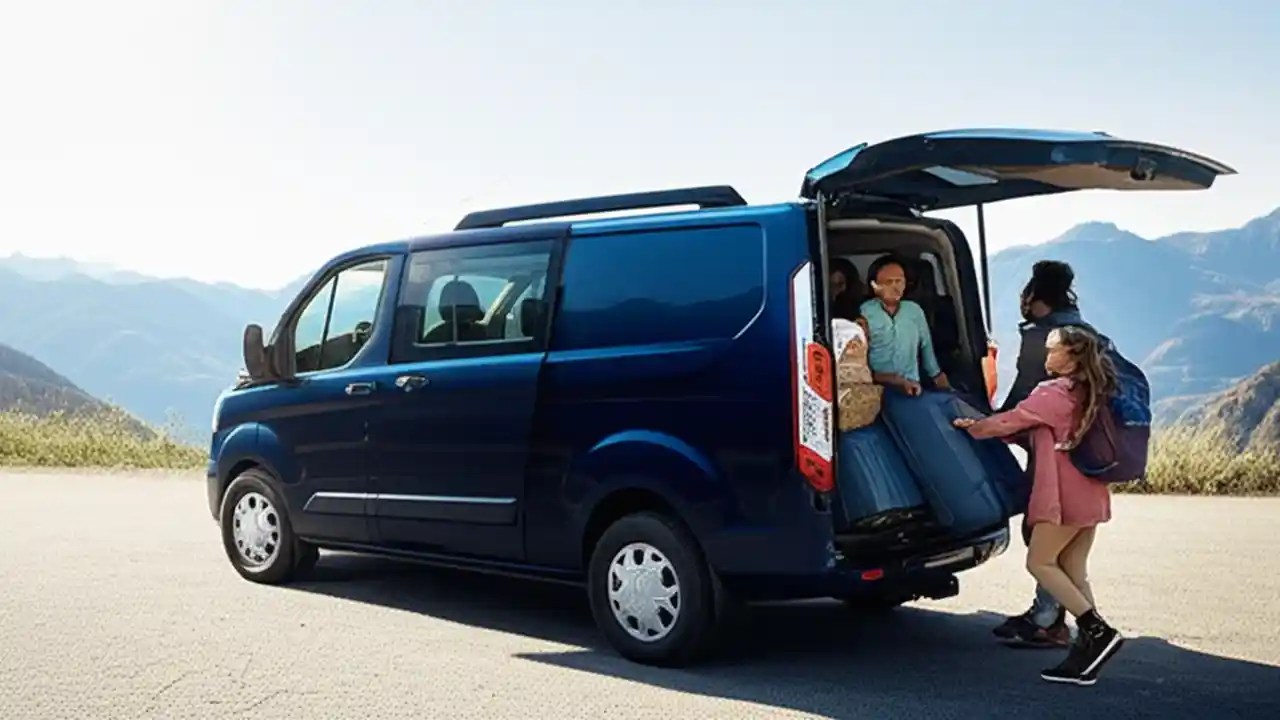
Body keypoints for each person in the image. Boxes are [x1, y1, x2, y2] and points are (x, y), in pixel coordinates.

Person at [953, 326, 1124, 686]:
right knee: (1072, 567)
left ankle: (1098, 632)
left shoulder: (1052, 392)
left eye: (1053, 351)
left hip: (1062, 495)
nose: (1046, 358)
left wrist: (973, 428)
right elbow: (1033, 427)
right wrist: (993, 427)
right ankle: (1087, 648)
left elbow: (1012, 419)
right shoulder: (1088, 390)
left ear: (1071, 357)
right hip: (1091, 492)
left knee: (1040, 562)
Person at [994, 260, 1088, 648]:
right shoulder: (1083, 331)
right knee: (1063, 537)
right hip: (1084, 447)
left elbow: (1024, 393)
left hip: (1052, 448)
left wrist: (991, 424)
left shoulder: (1045, 337)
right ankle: (1051, 613)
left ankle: (1049, 619)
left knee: (1041, 530)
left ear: (1036, 296)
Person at [859, 255, 949, 395]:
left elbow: (926, 347)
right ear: (874, 286)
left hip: (912, 387)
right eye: (889, 282)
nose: (895, 287)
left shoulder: (914, 311)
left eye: (899, 281)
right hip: (874, 389)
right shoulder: (864, 312)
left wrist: (937, 377)